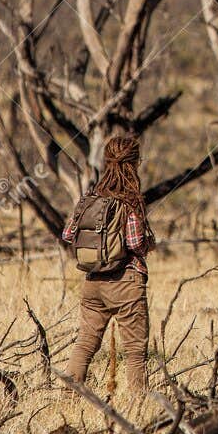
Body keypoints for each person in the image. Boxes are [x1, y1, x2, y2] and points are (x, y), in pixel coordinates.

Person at [62, 134, 156, 393]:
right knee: (135, 352)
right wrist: (150, 243)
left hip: (92, 283)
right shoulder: (129, 201)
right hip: (125, 282)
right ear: (135, 162)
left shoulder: (90, 199)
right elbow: (136, 243)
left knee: (85, 344)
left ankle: (67, 396)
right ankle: (139, 407)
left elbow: (68, 235)